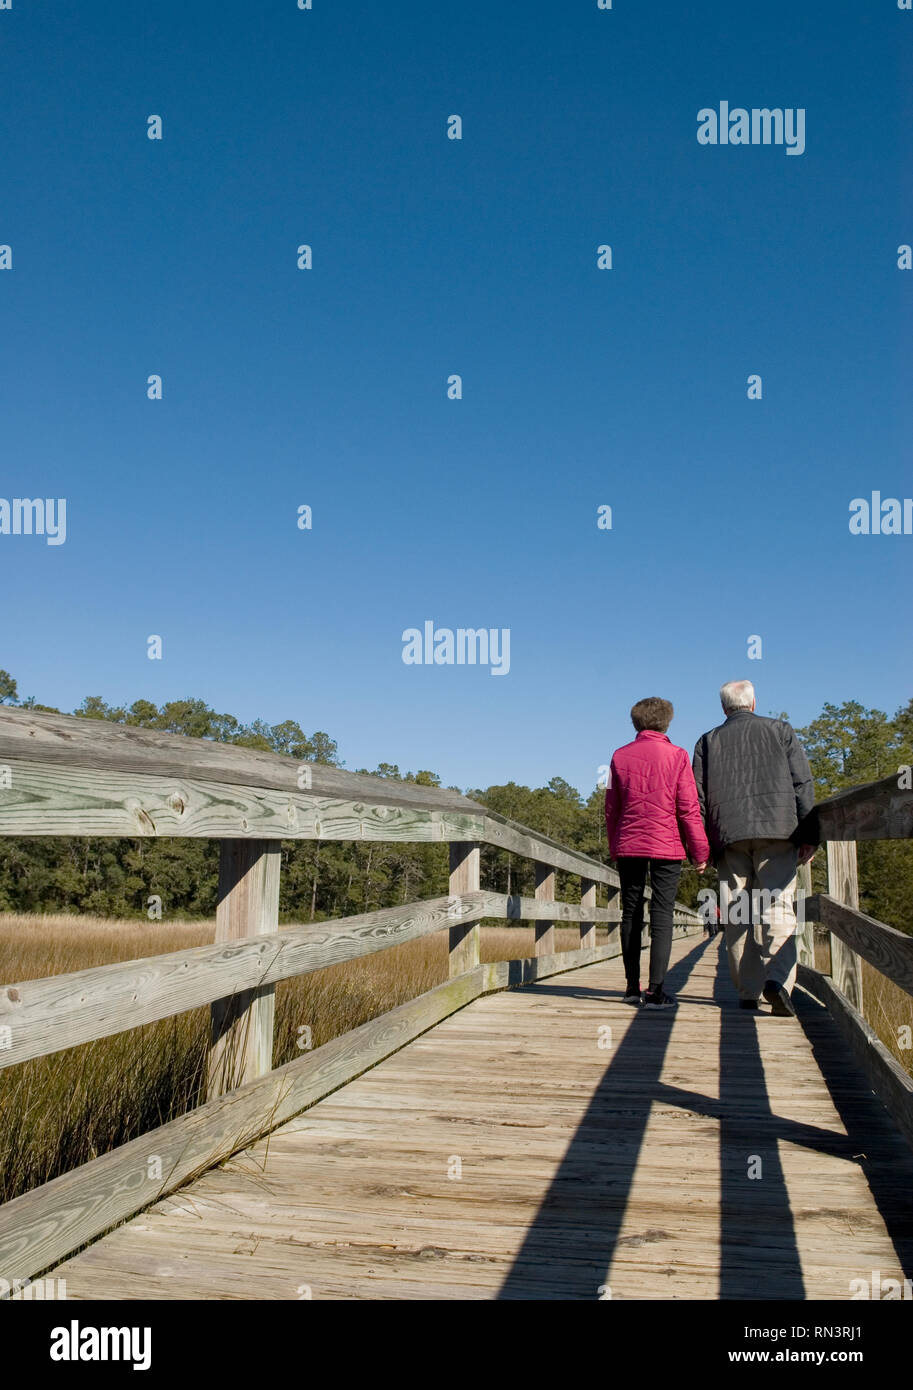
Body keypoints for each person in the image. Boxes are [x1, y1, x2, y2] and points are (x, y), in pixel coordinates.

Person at [692, 680, 816, 1016]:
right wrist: (810, 834)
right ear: (753, 702)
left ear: (723, 708)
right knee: (777, 906)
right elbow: (801, 782)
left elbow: (697, 800)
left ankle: (748, 991)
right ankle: (777, 981)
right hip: (779, 830)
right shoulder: (781, 730)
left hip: (729, 834)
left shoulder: (707, 741)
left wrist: (701, 846)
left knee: (737, 911)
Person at [605, 697, 710, 1010]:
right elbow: (688, 808)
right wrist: (700, 851)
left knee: (631, 913)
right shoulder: (677, 757)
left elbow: (612, 808)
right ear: (668, 722)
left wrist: (615, 846)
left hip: (629, 844)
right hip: (666, 845)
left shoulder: (619, 756)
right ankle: (655, 991)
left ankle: (630, 987)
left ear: (635, 722)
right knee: (662, 916)